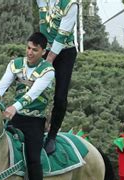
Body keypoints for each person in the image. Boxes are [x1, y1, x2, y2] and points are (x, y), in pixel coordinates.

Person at [0, 32, 55, 180]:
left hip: (34, 120)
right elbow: (1, 86)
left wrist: (15, 106)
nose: (30, 52)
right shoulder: (15, 64)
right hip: (15, 118)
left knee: (33, 157)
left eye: (35, 50)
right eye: (28, 48)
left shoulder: (48, 70)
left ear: (43, 51)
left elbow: (33, 93)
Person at [36, 0, 79, 155]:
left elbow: (62, 35)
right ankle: (33, 127)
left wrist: (48, 61)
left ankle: (52, 135)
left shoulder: (70, 4)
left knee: (60, 96)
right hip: (44, 49)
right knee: (34, 87)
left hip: (65, 53)